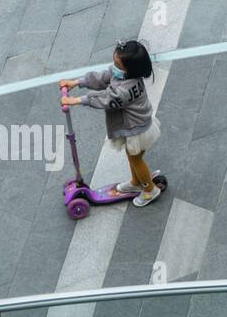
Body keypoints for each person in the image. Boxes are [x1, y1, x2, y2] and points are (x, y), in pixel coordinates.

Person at [60, 40, 162, 207]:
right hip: (135, 126)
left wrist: (77, 100)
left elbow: (106, 98)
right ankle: (136, 182)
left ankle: (150, 189)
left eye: (117, 64)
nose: (113, 66)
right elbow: (103, 77)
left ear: (128, 69)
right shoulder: (123, 74)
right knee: (132, 157)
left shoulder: (125, 90)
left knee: (136, 160)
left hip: (136, 129)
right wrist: (77, 82)